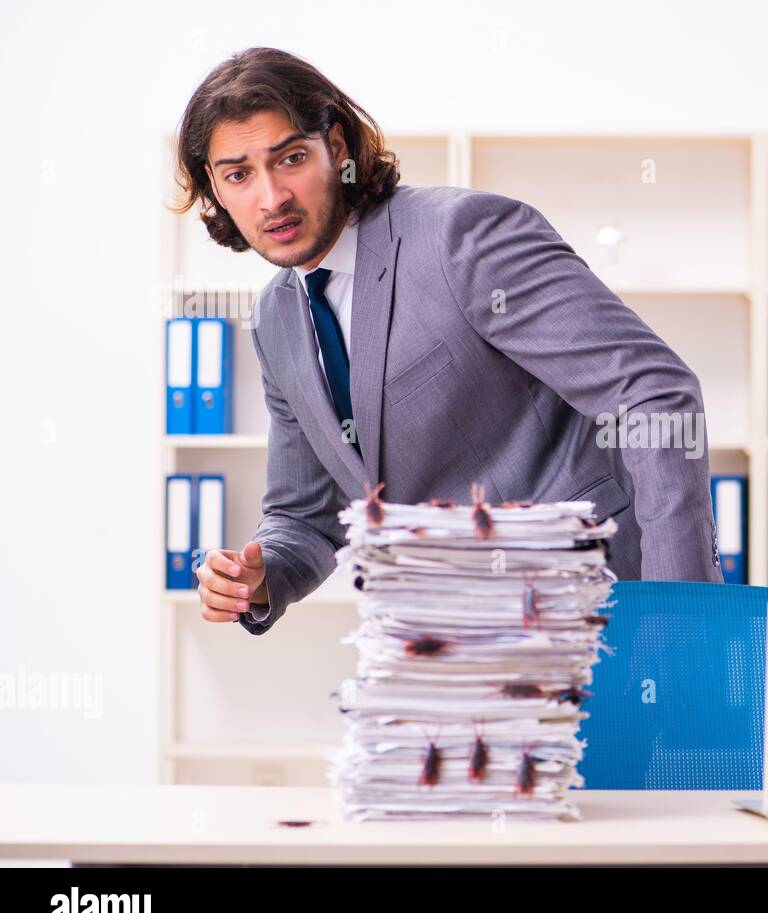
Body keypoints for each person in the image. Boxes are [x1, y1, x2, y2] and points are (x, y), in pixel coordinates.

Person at [170, 47, 723, 634]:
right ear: (216, 186)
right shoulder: (277, 318)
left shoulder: (458, 237)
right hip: (446, 653)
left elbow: (653, 394)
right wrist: (259, 576)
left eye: (291, 159)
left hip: (596, 619)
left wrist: (679, 612)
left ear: (336, 148)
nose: (272, 197)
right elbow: (304, 514)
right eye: (239, 174)